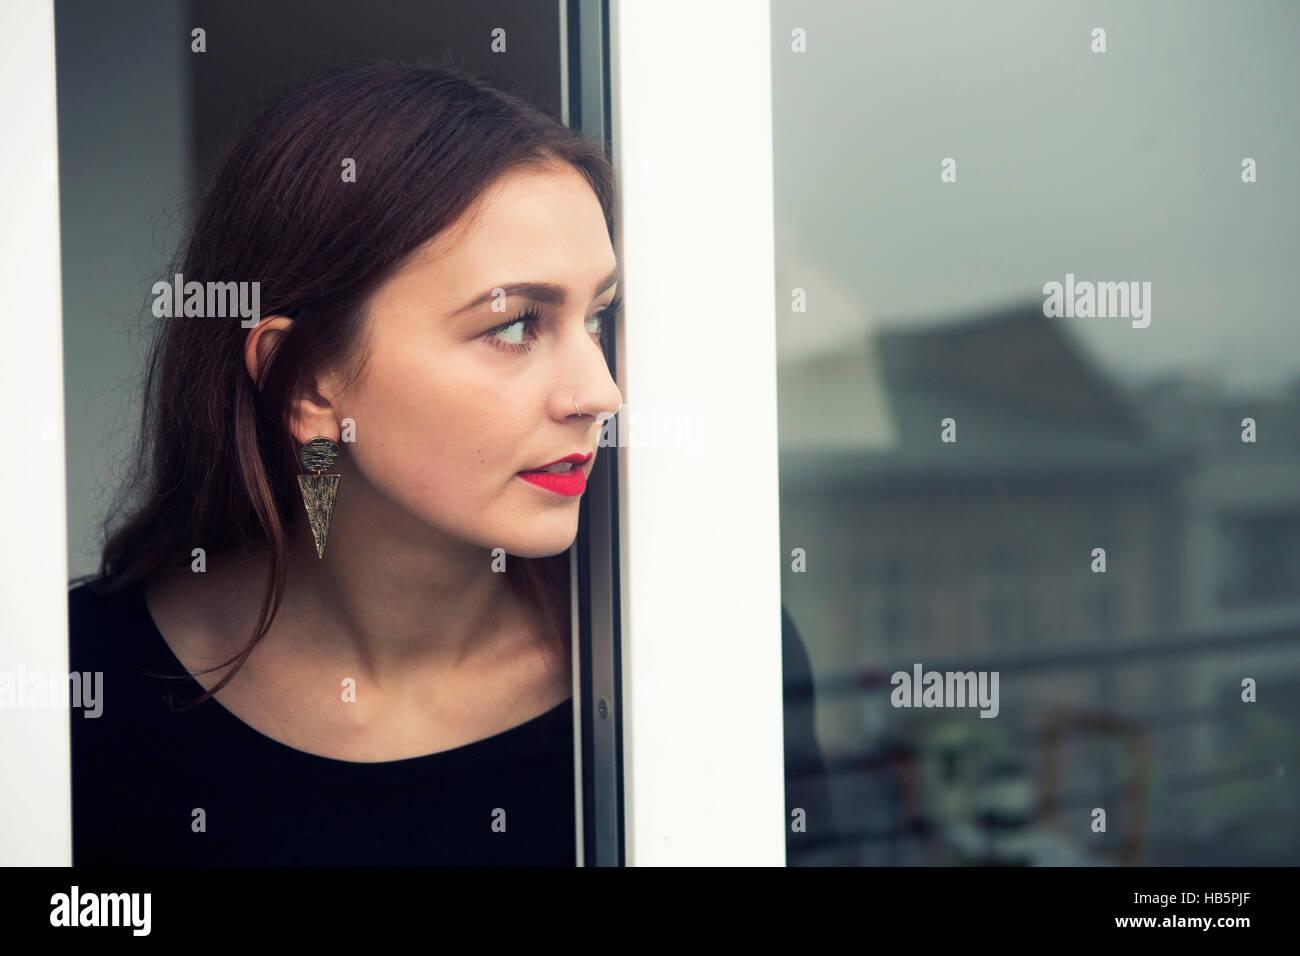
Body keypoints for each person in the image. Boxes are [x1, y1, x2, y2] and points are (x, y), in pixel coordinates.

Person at [68, 58, 834, 866]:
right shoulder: (77, 687)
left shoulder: (707, 655)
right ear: (309, 385)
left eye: (598, 317)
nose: (601, 393)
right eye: (514, 325)